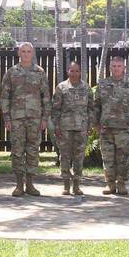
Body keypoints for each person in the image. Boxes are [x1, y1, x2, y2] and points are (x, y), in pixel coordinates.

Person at [1, 42, 50, 197]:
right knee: (17, 151)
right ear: (19, 53)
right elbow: (5, 96)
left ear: (33, 53)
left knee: (33, 151)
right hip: (17, 119)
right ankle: (18, 185)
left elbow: (46, 97)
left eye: (29, 51)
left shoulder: (40, 72)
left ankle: (30, 184)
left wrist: (44, 118)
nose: (26, 54)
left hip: (35, 119)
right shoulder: (11, 73)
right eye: (23, 51)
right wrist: (7, 117)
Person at [93, 56, 129, 195]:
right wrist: (95, 124)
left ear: (124, 68)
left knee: (123, 159)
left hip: (125, 129)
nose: (116, 68)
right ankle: (110, 184)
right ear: (110, 67)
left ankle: (121, 184)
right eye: (113, 66)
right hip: (106, 128)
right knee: (108, 159)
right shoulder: (103, 84)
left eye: (119, 66)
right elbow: (96, 106)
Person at [51, 59, 91, 196]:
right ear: (68, 71)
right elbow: (55, 109)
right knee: (65, 157)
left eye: (77, 71)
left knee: (79, 157)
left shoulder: (86, 88)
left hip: (81, 127)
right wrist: (56, 126)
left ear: (80, 72)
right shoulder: (61, 87)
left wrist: (89, 125)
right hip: (65, 128)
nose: (74, 73)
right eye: (72, 70)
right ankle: (66, 185)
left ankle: (77, 185)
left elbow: (91, 108)